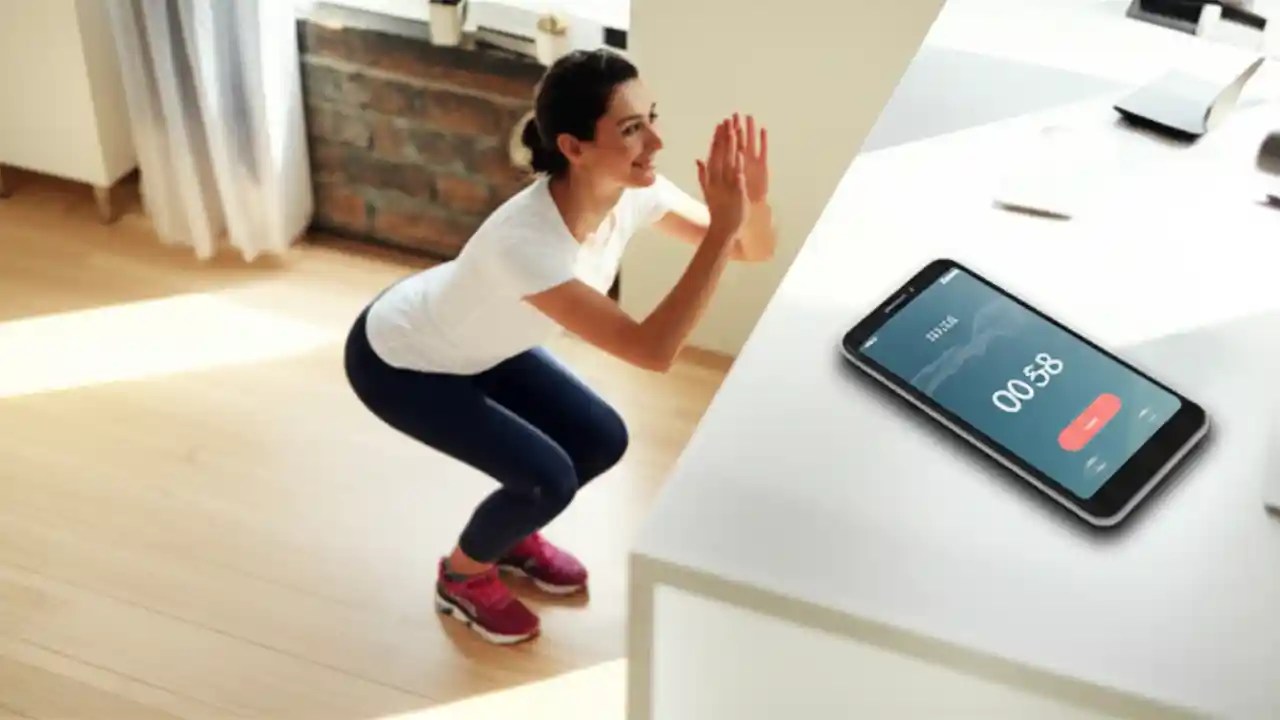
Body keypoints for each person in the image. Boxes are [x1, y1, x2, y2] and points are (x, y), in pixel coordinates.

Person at [343, 47, 776, 645]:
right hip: (405, 363)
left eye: (652, 116)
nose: (655, 140)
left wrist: (747, 207)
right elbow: (653, 351)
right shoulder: (528, 242)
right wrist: (726, 227)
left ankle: (511, 535)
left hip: (484, 344)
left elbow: (752, 251)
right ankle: (462, 578)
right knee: (548, 479)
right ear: (573, 147)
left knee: (602, 440)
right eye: (631, 129)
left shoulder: (634, 190)